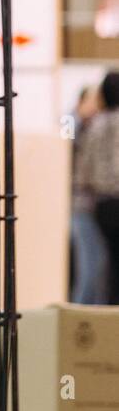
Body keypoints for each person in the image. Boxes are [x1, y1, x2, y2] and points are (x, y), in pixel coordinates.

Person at [77, 72, 119, 304]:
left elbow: (85, 170)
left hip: (102, 205)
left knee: (108, 265)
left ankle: (108, 315)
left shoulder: (95, 125)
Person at [70, 85, 111, 305]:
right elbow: (62, 142)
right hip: (79, 206)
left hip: (94, 207)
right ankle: (79, 311)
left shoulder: (99, 126)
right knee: (89, 265)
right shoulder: (70, 123)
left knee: (99, 264)